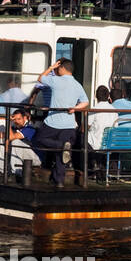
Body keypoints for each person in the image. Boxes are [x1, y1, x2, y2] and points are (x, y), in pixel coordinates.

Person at [32, 58, 89, 187]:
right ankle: (59, 182)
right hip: (69, 124)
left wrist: (51, 68)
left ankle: (60, 145)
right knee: (61, 155)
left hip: (53, 122)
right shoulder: (77, 85)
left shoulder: (55, 80)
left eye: (59, 68)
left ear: (62, 68)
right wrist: (75, 108)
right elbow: (85, 102)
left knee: (39, 139)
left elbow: (40, 78)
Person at [0, 106, 38, 175]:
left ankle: (17, 173)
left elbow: (11, 137)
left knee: (15, 141)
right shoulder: (15, 128)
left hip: (35, 158)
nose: (16, 121)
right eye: (14, 119)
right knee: (2, 140)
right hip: (25, 157)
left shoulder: (29, 128)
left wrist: (8, 121)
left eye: (19, 119)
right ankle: (3, 171)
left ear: (25, 118)